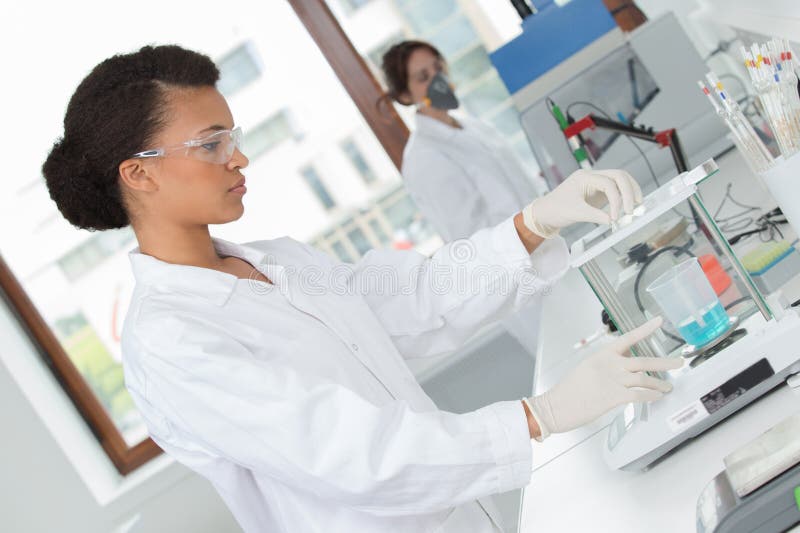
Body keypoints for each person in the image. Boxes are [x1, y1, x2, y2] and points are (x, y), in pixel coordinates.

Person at [42, 45, 681, 533]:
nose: (238, 158)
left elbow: (416, 301)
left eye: (232, 137)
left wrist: (533, 223)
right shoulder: (171, 341)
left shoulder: (277, 262)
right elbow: (353, 458)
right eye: (212, 143)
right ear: (139, 175)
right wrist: (542, 415)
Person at [380, 40, 636, 355]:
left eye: (438, 66)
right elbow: (467, 239)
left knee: (616, 339)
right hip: (519, 283)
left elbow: (516, 188)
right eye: (423, 76)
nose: (437, 78)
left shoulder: (473, 127)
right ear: (406, 96)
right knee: (581, 355)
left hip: (553, 253)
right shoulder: (424, 158)